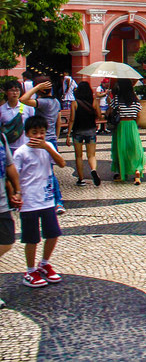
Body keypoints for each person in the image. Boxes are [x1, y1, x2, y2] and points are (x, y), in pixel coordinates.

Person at [14, 115, 65, 288]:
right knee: (32, 238)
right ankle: (30, 270)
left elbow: (61, 163)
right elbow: (14, 175)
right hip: (29, 201)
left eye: (42, 132)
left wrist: (48, 148)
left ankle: (44, 263)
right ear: (27, 133)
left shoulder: (48, 147)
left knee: (53, 233)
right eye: (34, 132)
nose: (39, 136)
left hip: (47, 200)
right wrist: (16, 194)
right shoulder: (21, 152)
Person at [19, 80, 64, 214]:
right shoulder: (56, 101)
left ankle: (58, 201)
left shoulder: (44, 102)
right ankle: (49, 199)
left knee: (49, 172)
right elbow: (58, 121)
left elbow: (23, 99)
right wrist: (56, 136)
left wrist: (37, 87)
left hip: (43, 140)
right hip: (51, 138)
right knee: (46, 171)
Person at [0, 118, 21, 306]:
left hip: (1, 202)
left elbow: (9, 165)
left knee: (6, 241)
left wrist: (16, 190)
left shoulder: (1, 137)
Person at [110, 78, 146, 185]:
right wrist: (135, 124)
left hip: (121, 125)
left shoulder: (117, 99)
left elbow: (110, 111)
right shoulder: (135, 100)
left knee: (121, 150)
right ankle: (137, 170)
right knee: (135, 149)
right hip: (132, 125)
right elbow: (139, 115)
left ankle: (122, 173)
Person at [69, 81, 102, 186]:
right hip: (91, 130)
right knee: (91, 155)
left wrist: (68, 134)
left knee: (79, 156)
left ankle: (81, 179)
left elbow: (72, 119)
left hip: (78, 131)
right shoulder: (94, 102)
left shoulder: (74, 103)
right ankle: (93, 170)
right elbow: (99, 116)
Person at [1, 79, 33, 150]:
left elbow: (32, 125)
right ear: (6, 92)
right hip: (8, 147)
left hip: (25, 145)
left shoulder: (28, 107)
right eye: (12, 90)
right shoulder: (2, 110)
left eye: (17, 90)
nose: (15, 93)